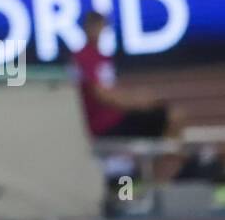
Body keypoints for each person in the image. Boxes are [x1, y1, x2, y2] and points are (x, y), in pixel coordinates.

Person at [72, 11, 183, 139]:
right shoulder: (84, 57)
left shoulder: (102, 57)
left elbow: (110, 91)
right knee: (174, 117)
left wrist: (137, 98)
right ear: (87, 28)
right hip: (104, 124)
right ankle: (167, 158)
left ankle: (162, 156)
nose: (98, 31)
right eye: (95, 27)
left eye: (100, 27)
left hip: (116, 116)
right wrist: (138, 103)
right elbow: (101, 94)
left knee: (170, 115)